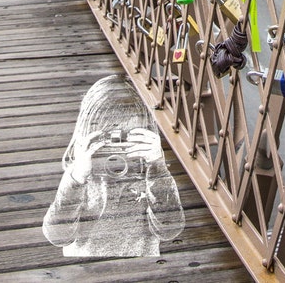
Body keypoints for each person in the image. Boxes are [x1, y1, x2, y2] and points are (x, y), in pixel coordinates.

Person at [43, 74, 184, 257]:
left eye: (128, 138)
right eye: (108, 138)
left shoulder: (150, 173)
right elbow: (57, 236)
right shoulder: (80, 175)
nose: (117, 149)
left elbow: (169, 230)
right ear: (87, 133)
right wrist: (77, 178)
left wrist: (157, 167)